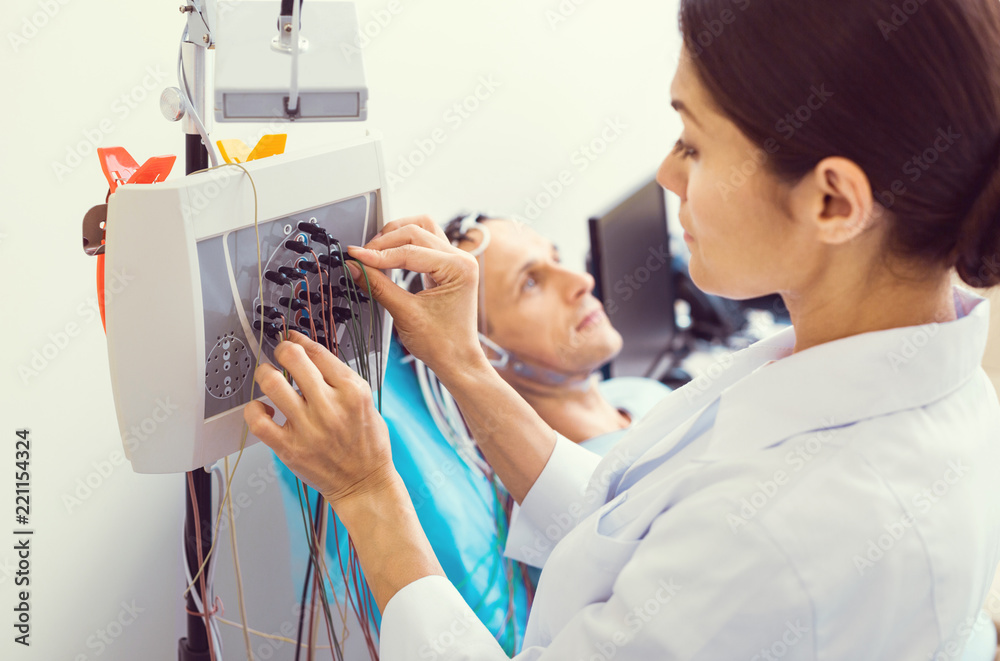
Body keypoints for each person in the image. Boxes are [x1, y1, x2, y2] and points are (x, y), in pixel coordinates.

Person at [246, 0, 1000, 658]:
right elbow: (625, 523)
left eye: (694, 144)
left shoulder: (787, 533)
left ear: (833, 202)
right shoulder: (924, 379)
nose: (668, 174)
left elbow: (706, 556)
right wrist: (465, 362)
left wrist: (367, 489)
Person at [438, 213, 671, 454]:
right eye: (530, 284)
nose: (583, 281)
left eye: (556, 259)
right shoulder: (597, 484)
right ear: (482, 351)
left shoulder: (633, 393)